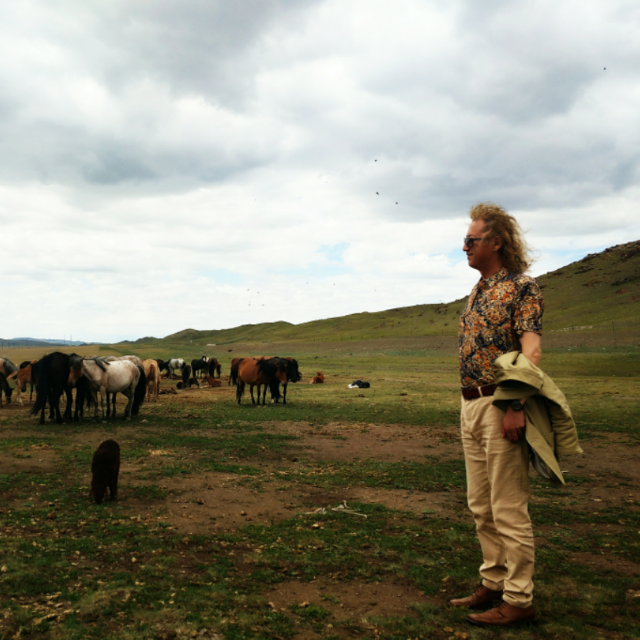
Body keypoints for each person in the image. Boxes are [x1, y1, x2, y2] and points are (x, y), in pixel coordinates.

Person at [451, 202, 543, 627]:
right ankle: (493, 580)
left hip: (501, 403)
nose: (463, 246)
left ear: (497, 242)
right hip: (470, 404)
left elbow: (532, 351)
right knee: (480, 506)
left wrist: (516, 405)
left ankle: (519, 600)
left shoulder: (523, 287)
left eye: (471, 240)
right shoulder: (478, 290)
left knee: (508, 507)